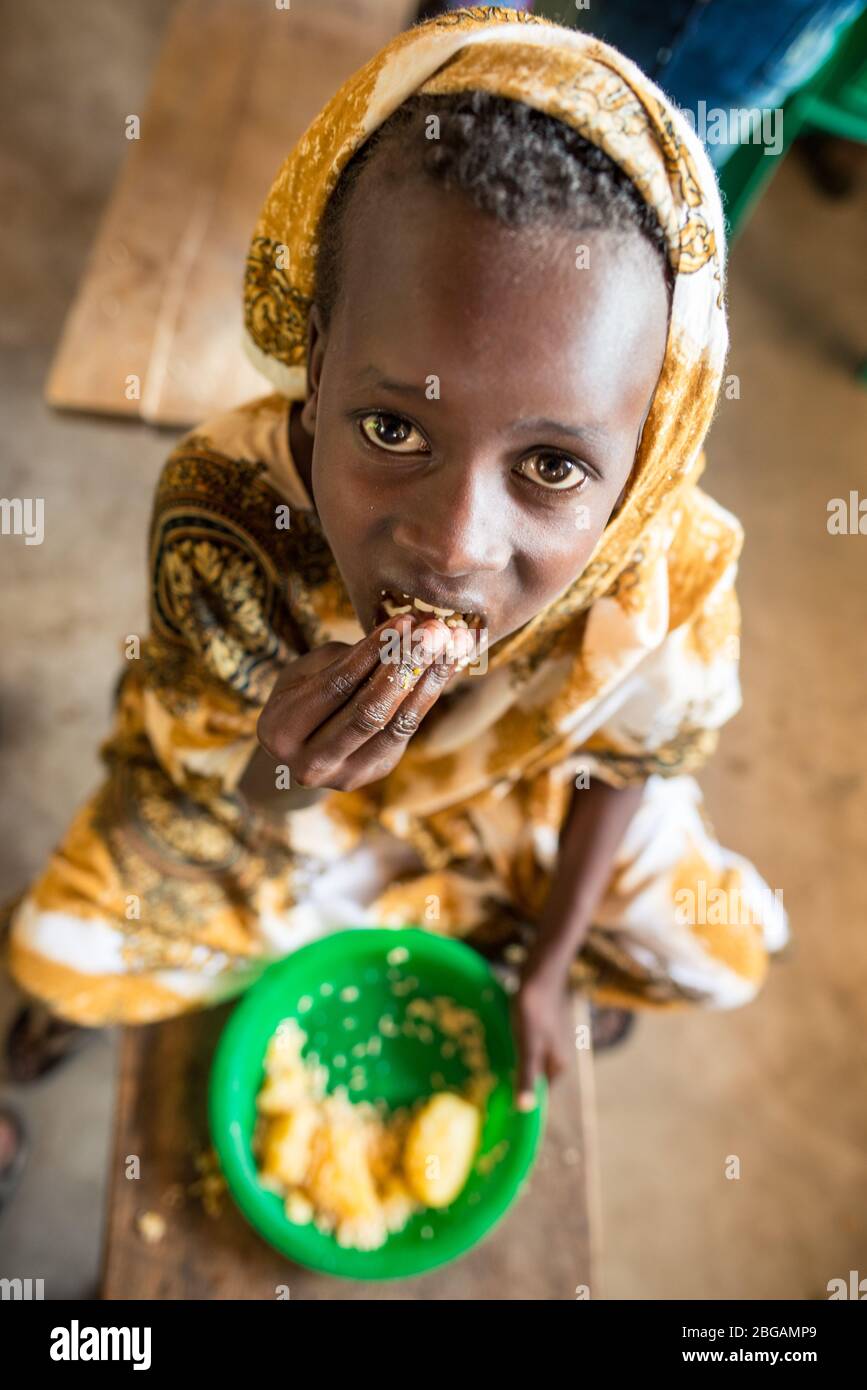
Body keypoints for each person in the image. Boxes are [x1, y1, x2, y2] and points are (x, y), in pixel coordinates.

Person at [3, 7, 788, 1112]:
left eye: (554, 467)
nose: (456, 544)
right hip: (281, 815)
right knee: (59, 950)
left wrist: (553, 959)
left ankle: (511, 945)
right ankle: (435, 925)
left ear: (644, 457)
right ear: (317, 369)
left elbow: (624, 762)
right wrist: (289, 761)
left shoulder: (669, 564)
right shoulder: (227, 506)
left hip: (520, 803)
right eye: (392, 430)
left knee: (720, 954)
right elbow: (230, 789)